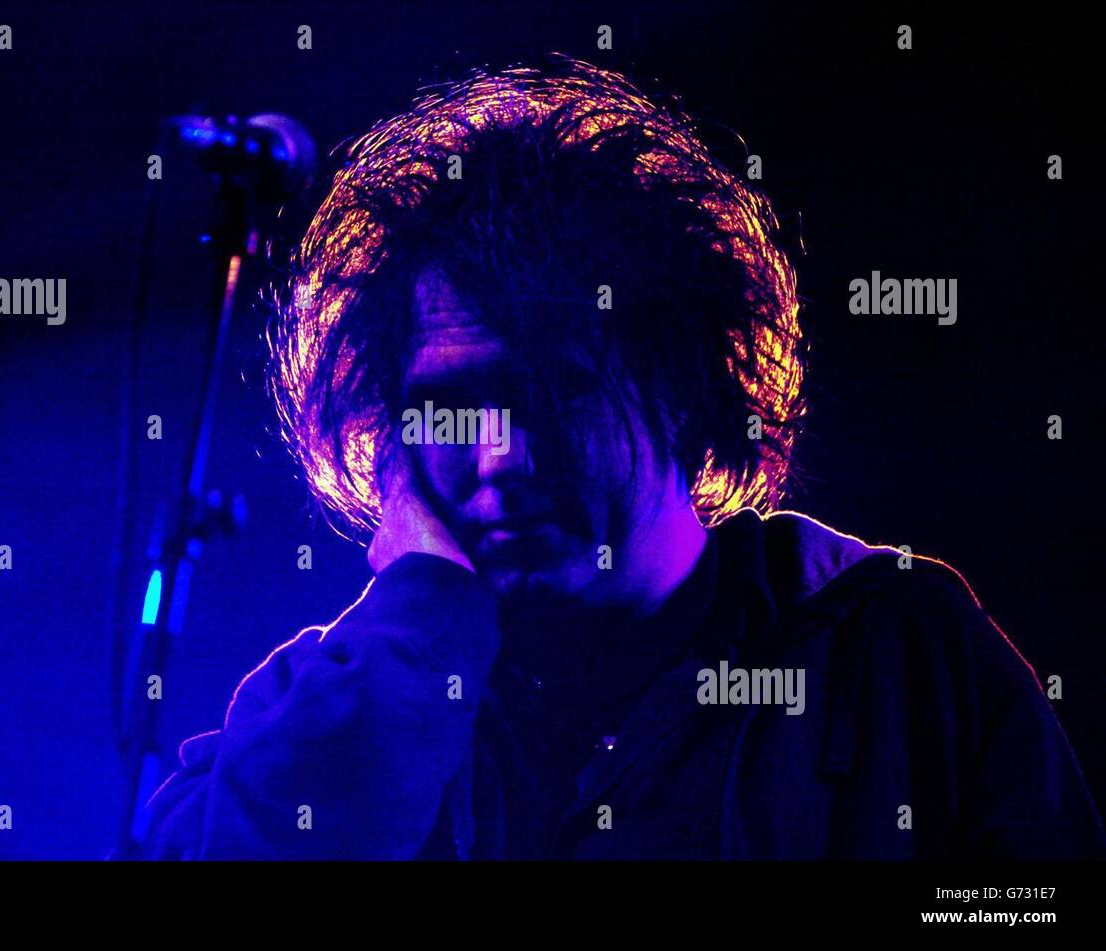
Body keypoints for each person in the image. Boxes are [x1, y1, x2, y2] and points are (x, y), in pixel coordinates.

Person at [144, 56, 1103, 859]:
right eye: (446, 409)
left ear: (686, 387)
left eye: (557, 389)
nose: (501, 458)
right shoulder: (339, 698)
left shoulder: (895, 647)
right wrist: (420, 620)